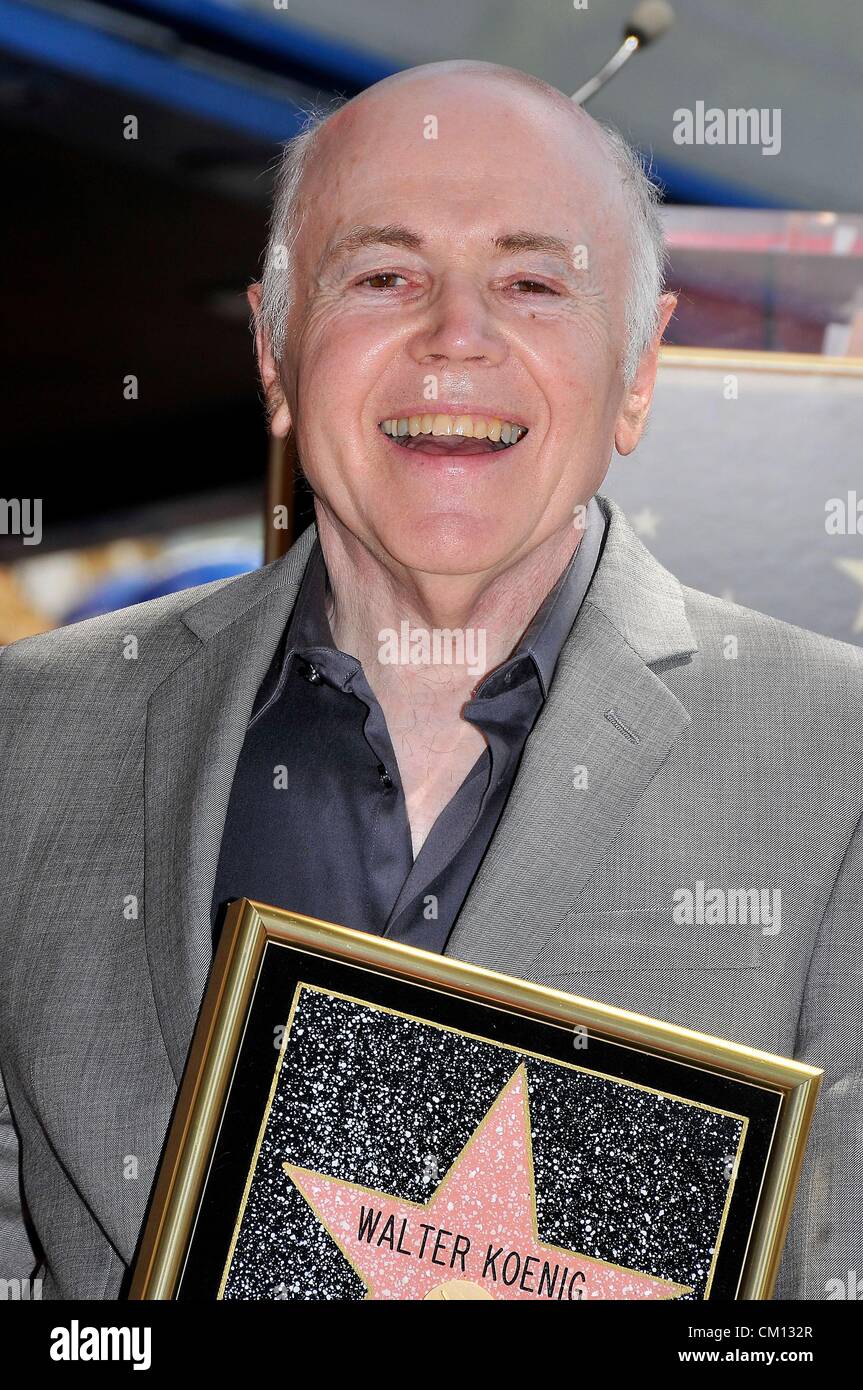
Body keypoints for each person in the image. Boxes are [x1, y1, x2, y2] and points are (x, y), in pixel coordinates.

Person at [1, 61, 860, 1301]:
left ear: (637, 370)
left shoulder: (836, 762)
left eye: (529, 283)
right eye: (383, 276)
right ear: (274, 356)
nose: (456, 339)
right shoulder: (30, 734)